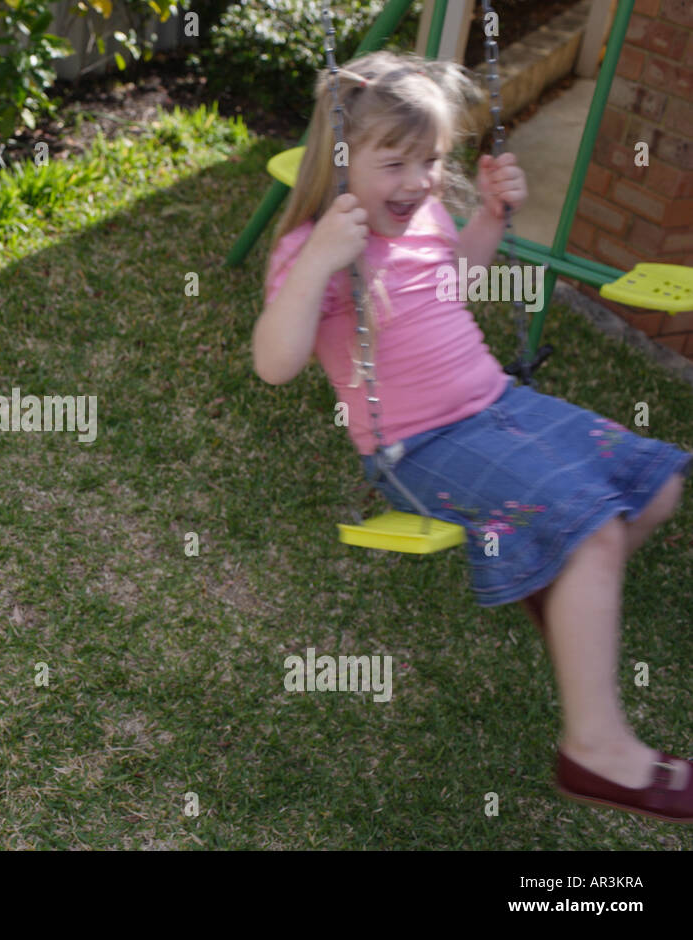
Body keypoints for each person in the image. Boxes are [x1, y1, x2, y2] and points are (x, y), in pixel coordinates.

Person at [253, 50, 692, 822]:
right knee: (590, 527)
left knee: (654, 488)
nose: (420, 182)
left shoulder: (423, 212)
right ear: (344, 158)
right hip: (416, 446)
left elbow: (452, 281)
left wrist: (487, 218)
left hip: (494, 403)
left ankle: (561, 592)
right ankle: (596, 748)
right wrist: (320, 259)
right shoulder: (315, 248)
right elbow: (274, 365)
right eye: (397, 163)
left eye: (433, 161)